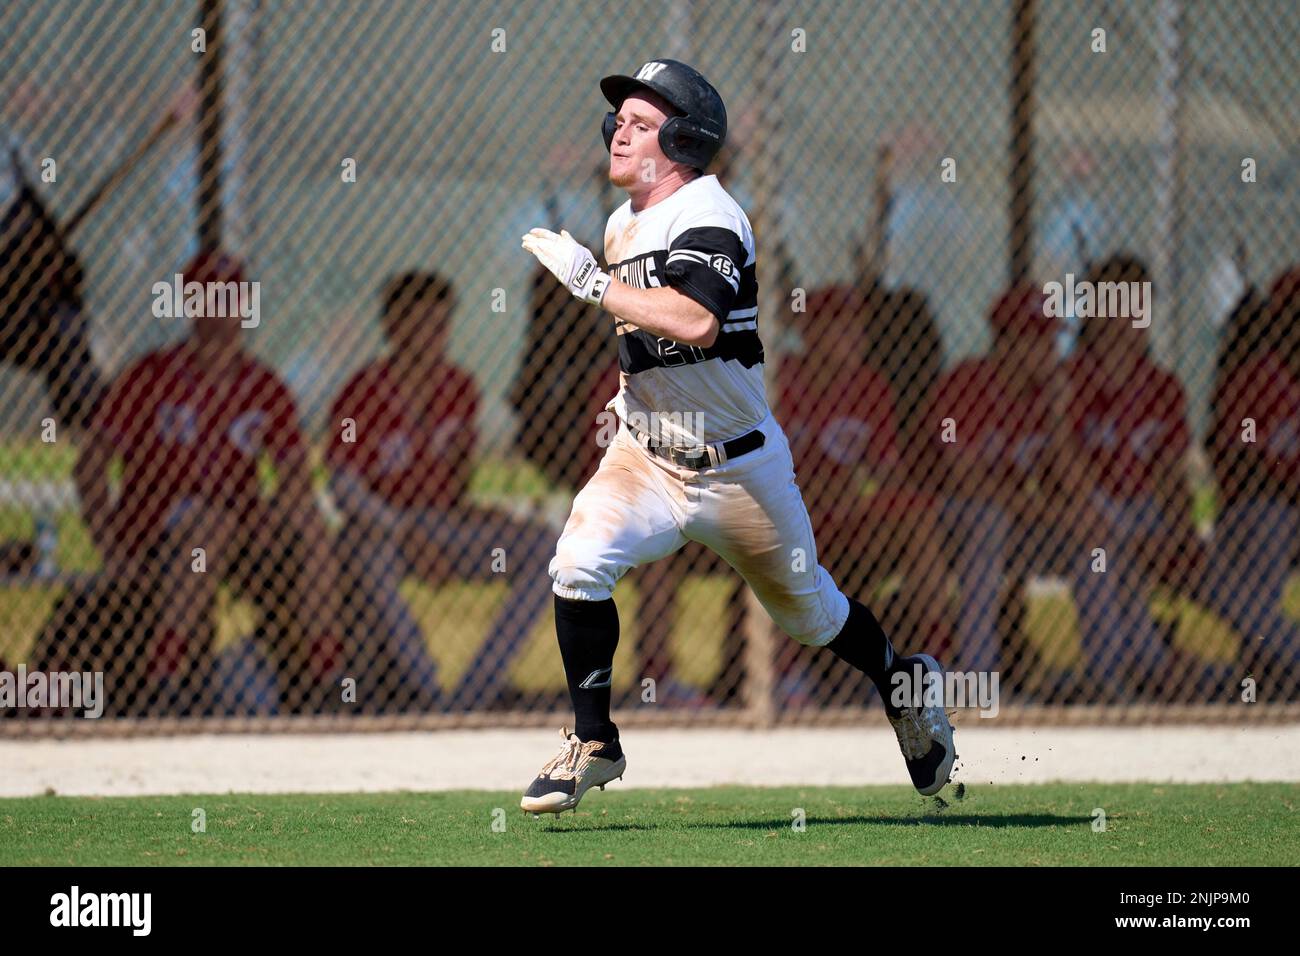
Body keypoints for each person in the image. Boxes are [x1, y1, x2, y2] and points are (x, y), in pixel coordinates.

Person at [518, 59, 954, 814]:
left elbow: (696, 320)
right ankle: (595, 742)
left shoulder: (710, 216)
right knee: (578, 564)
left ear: (683, 141)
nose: (619, 129)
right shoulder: (623, 222)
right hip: (646, 454)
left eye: (641, 123)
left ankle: (900, 680)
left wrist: (593, 284)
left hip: (736, 469)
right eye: (618, 119)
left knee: (811, 615)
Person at [45, 250, 342, 715]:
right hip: (157, 530)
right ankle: (166, 675)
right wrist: (109, 545)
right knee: (212, 524)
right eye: (208, 299)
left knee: (309, 522)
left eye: (231, 299)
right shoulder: (150, 375)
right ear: (189, 303)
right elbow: (91, 464)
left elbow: (296, 477)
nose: (221, 313)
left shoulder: (263, 384)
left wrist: (278, 514)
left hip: (240, 530)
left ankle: (326, 675)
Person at [328, 272, 555, 711]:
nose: (435, 335)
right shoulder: (364, 391)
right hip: (384, 530)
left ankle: (471, 696)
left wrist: (478, 513)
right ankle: (427, 692)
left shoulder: (460, 387)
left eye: (441, 323)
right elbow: (342, 487)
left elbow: (452, 489)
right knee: (363, 550)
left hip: (443, 528)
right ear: (392, 327)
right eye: (420, 323)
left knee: (546, 550)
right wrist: (401, 531)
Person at [778, 285, 951, 706]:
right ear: (811, 331)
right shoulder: (781, 378)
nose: (855, 336)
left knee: (918, 516)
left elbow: (885, 471)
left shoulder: (871, 386)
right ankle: (784, 677)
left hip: (855, 523)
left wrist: (862, 487)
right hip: (796, 521)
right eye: (841, 325)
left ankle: (933, 661)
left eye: (857, 326)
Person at [1058, 254, 1197, 701]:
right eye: (1113, 304)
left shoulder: (1163, 386)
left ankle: (1274, 661)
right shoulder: (1071, 379)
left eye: (1137, 304)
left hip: (1144, 515)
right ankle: (1118, 675)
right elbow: (1063, 466)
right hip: (1080, 516)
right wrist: (1100, 513)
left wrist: (1180, 530)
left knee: (1135, 542)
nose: (1128, 317)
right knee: (1100, 543)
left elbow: (1172, 477)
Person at [914, 284, 1058, 678]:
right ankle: (978, 670)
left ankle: (1124, 666)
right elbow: (963, 478)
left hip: (1015, 516)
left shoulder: (1048, 397)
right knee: (987, 519)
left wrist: (1060, 416)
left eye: (1051, 338)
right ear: (1007, 343)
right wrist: (1032, 506)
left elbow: (1061, 478)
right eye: (1038, 339)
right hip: (944, 514)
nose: (1051, 351)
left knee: (1094, 537)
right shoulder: (967, 384)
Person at [1204, 267, 1300, 691]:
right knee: (1268, 522)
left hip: (1274, 511)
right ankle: (1278, 663)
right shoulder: (1258, 374)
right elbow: (1239, 456)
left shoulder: (1276, 375)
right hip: (1257, 508)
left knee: (1254, 604)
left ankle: (1265, 674)